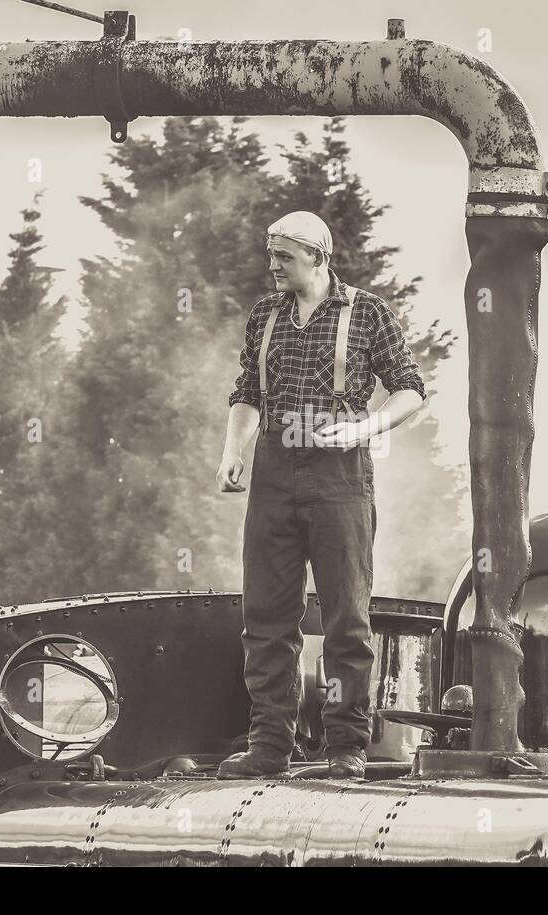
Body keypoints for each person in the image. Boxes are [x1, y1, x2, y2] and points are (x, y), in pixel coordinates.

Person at [216, 210, 426, 779]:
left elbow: (410, 388)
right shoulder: (265, 314)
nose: (273, 265)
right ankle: (268, 747)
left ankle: (345, 748)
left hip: (340, 473)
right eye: (271, 253)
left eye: (284, 255)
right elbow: (246, 392)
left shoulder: (366, 311)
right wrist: (233, 451)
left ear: (319, 255)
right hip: (274, 470)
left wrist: (365, 428)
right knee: (266, 614)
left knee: (345, 616)